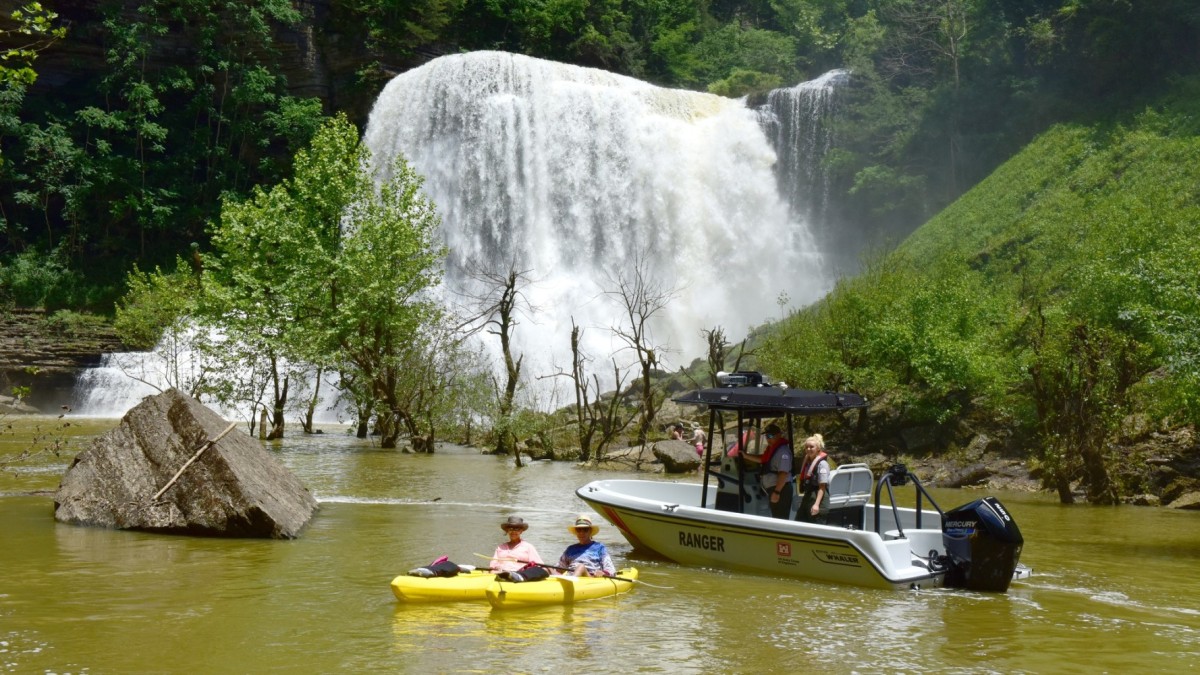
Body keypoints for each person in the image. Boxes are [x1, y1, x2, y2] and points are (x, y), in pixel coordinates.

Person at [740, 423, 793, 519]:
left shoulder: (782, 452)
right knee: (775, 516)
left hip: (781, 490)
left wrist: (777, 492)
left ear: (778, 435)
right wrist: (746, 456)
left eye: (770, 436)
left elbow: (783, 474)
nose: (768, 439)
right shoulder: (772, 449)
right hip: (774, 489)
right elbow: (762, 459)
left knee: (780, 518)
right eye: (766, 436)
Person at [796, 434, 831, 524]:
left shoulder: (822, 464)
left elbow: (822, 487)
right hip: (808, 497)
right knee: (799, 523)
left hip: (819, 500)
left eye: (811, 447)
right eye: (806, 447)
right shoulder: (808, 462)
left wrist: (816, 505)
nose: (808, 449)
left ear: (818, 448)